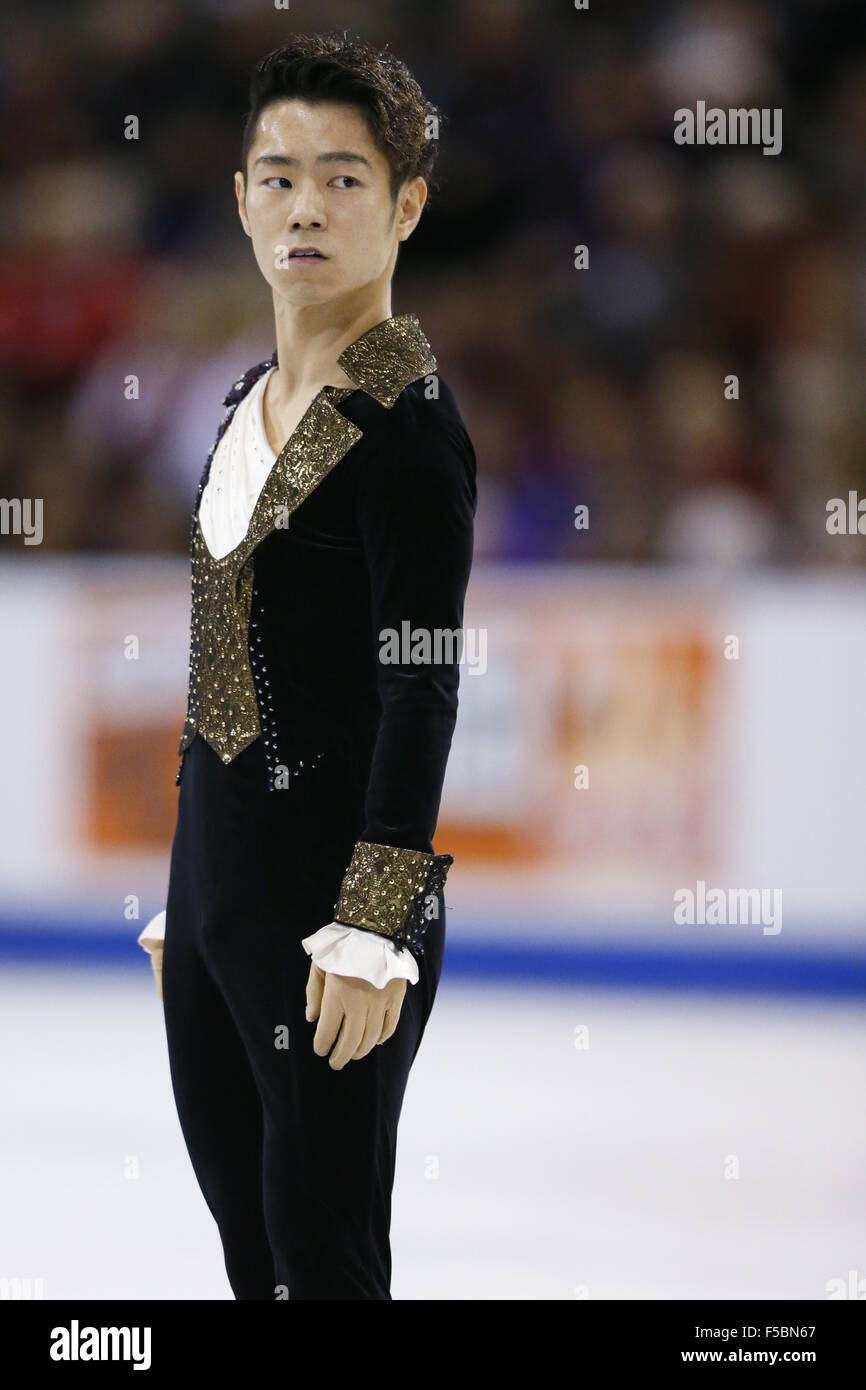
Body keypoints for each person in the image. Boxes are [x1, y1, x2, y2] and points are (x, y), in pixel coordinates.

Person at [135, 32, 477, 1300]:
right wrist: (196, 872)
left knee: (322, 1258)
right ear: (239, 200)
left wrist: (376, 921)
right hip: (222, 902)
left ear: (405, 206)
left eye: (343, 178)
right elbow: (223, 664)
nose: (305, 206)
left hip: (337, 916)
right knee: (253, 1264)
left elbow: (420, 683)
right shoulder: (240, 405)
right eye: (276, 176)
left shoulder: (412, 433)